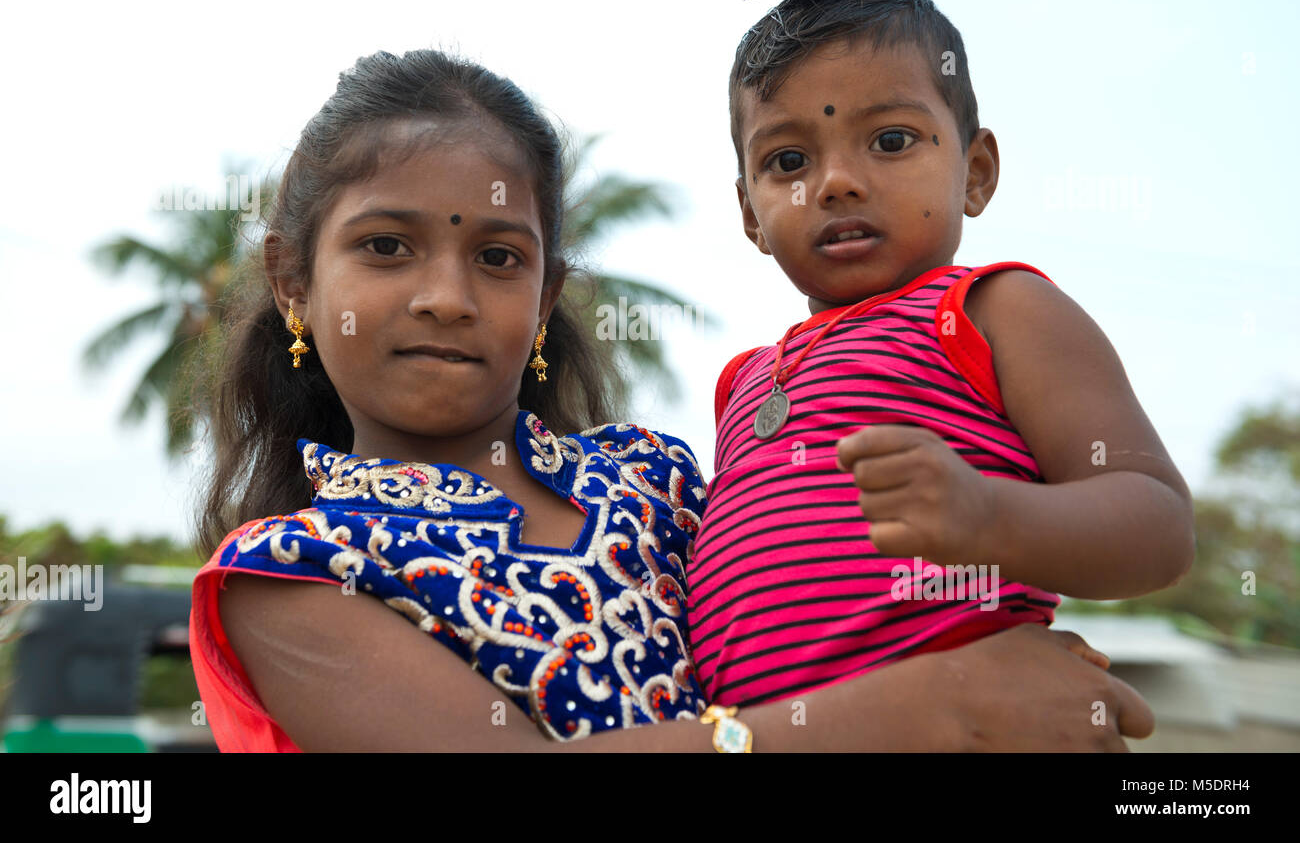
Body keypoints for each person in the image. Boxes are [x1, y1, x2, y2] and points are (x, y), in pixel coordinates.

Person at [189, 47, 1154, 752]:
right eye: (387, 246)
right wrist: (938, 706)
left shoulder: (658, 481)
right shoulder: (294, 576)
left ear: (546, 297)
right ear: (292, 283)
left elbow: (841, 618)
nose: (446, 294)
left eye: (497, 256)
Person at [691, 0, 1196, 710]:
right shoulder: (741, 384)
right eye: (788, 161)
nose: (836, 182)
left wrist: (988, 514)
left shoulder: (992, 311)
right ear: (751, 212)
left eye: (891, 140)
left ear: (976, 172)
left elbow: (1159, 525)